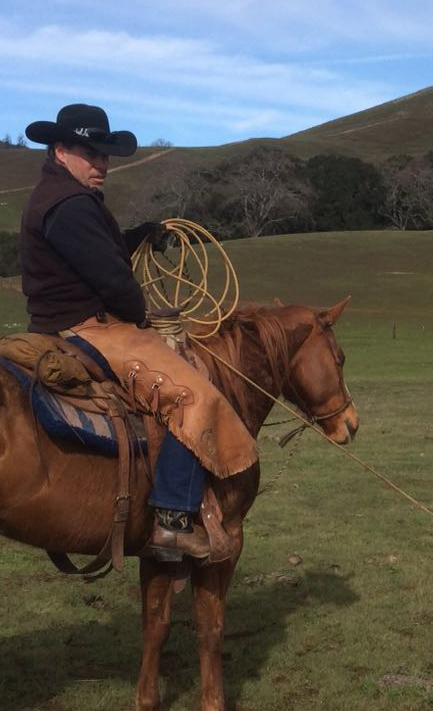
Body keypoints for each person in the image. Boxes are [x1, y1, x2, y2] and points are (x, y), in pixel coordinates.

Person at [19, 103, 257, 561]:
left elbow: (98, 251)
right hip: (88, 326)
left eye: (105, 154)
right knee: (192, 394)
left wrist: (139, 236)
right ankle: (172, 518)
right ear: (60, 150)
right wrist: (142, 315)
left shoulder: (63, 198)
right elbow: (114, 282)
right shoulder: (70, 206)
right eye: (90, 153)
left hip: (66, 320)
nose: (101, 163)